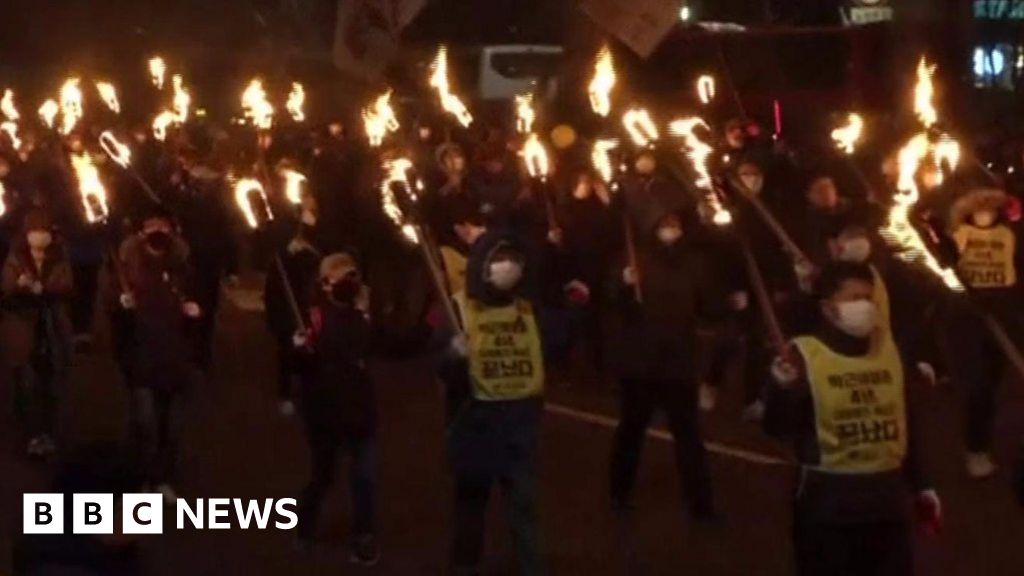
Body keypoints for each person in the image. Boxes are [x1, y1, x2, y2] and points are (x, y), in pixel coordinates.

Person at [765, 262, 941, 576]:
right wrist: (781, 390)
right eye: (854, 297)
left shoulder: (889, 351)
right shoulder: (804, 357)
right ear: (828, 308)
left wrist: (923, 485)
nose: (865, 306)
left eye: (869, 298)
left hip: (886, 506)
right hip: (828, 509)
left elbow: (905, 421)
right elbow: (777, 428)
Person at [607, 204, 720, 519]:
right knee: (631, 430)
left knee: (688, 436)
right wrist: (624, 286)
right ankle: (619, 493)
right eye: (665, 223)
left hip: (678, 362)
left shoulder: (693, 264)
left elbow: (708, 306)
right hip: (641, 363)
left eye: (675, 223)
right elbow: (616, 306)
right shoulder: (633, 261)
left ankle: (701, 505)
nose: (671, 229)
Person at [447, 232, 547, 575]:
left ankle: (532, 567)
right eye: (499, 259)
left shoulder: (526, 307)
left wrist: (575, 311)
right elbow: (441, 368)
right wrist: (452, 354)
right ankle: (466, 564)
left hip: (519, 426)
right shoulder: (459, 308)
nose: (508, 267)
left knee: (523, 504)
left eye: (513, 260)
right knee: (472, 504)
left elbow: (553, 342)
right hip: (477, 424)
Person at [293, 252, 379, 566]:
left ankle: (364, 536)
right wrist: (300, 351)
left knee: (365, 478)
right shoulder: (314, 318)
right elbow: (301, 368)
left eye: (352, 275)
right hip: (326, 413)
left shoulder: (365, 315)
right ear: (326, 283)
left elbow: (389, 345)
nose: (348, 282)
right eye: (340, 277)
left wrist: (429, 324)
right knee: (323, 476)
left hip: (361, 412)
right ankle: (305, 524)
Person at [117, 208, 201, 501]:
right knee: (144, 422)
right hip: (141, 352)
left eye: (162, 226)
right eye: (151, 226)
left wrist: (192, 312)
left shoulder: (181, 266)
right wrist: (122, 308)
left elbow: (194, 299)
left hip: (172, 353)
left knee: (169, 424)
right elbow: (111, 312)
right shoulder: (128, 266)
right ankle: (142, 477)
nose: (157, 231)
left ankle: (163, 477)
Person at [943, 188, 1024, 478]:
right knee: (977, 387)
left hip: (1004, 314)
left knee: (996, 382)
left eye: (989, 203)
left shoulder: (1010, 232)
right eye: (978, 203)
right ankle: (975, 448)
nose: (984, 207)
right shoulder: (958, 232)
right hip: (968, 317)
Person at [1, 208, 73, 457]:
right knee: (26, 382)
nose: (39, 236)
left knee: (50, 382)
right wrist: (18, 286)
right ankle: (31, 432)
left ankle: (48, 431)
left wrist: (47, 288)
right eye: (35, 231)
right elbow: (5, 289)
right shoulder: (16, 258)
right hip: (23, 327)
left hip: (51, 328)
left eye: (43, 231)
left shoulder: (59, 257)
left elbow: (67, 285)